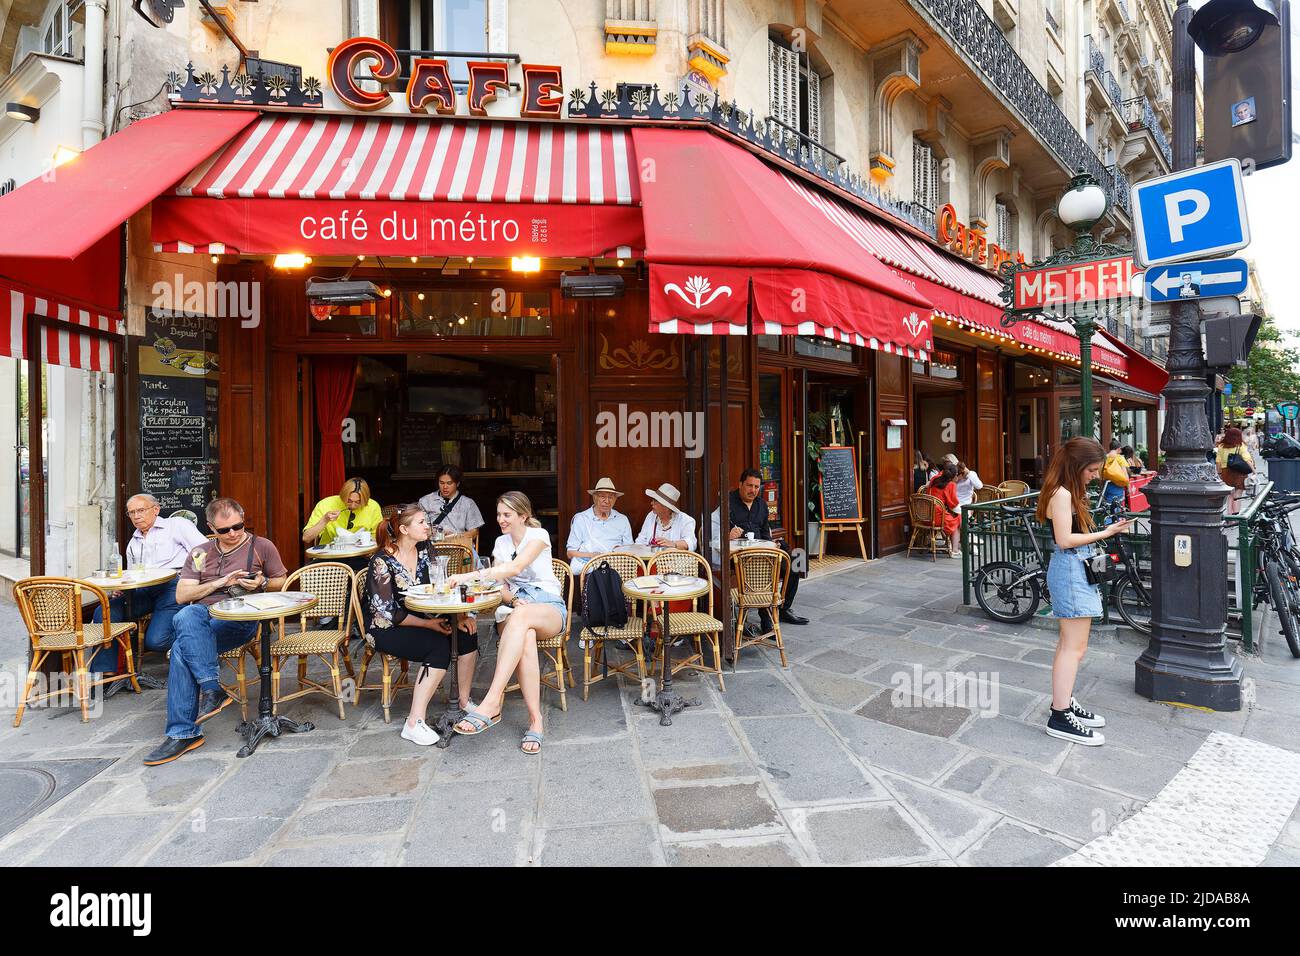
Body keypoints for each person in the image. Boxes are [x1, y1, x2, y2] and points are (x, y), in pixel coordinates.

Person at [142, 498, 288, 766]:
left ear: (243, 518)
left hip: (239, 620)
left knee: (181, 649)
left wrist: (262, 582)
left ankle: (183, 733)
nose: (232, 533)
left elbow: (282, 582)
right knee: (187, 615)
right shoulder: (200, 553)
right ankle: (211, 689)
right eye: (224, 530)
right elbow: (183, 594)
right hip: (201, 619)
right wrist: (221, 582)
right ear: (211, 527)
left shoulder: (261, 546)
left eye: (238, 526)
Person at [450, 492, 567, 755]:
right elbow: (501, 586)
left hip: (546, 604)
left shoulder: (539, 536)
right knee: (522, 631)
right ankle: (536, 721)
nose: (500, 519)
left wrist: (469, 575)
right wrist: (514, 600)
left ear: (523, 516)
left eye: (507, 514)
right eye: (499, 514)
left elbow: (515, 568)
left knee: (522, 618)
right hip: (514, 607)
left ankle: (492, 702)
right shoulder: (501, 543)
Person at [1038, 438, 1132, 746]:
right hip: (1070, 569)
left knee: (1069, 645)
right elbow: (1064, 539)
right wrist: (1105, 532)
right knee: (1073, 648)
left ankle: (1063, 703)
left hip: (1071, 568)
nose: (1094, 476)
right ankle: (1060, 713)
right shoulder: (1062, 494)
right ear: (1076, 466)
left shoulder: (1061, 491)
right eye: (1091, 470)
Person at [365, 503, 478, 746]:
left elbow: (438, 588)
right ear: (404, 529)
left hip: (424, 618)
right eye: (421, 523)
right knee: (438, 647)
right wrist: (430, 626)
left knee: (467, 633)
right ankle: (414, 722)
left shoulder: (426, 550)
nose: (428, 526)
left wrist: (459, 616)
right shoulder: (382, 561)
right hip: (386, 628)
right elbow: (388, 612)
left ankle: (463, 701)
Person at [88, 493, 210, 685]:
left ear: (156, 509)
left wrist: (193, 577)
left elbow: (204, 550)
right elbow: (132, 573)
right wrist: (122, 587)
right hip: (144, 590)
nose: (136, 516)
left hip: (173, 586)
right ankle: (106, 676)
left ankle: (201, 638)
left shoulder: (176, 525)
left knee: (156, 641)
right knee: (104, 611)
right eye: (132, 513)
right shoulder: (133, 542)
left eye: (141, 510)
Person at [710, 468, 807, 627]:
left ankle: (783, 608)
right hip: (737, 556)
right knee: (765, 567)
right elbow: (712, 531)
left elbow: (764, 531)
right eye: (749, 486)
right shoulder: (727, 502)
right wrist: (727, 535)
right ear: (740, 484)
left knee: (797, 560)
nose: (753, 490)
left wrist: (772, 544)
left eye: (756, 487)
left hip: (761, 551)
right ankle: (766, 616)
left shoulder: (761, 504)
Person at [566, 477, 633, 572]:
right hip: (592, 568)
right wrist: (592, 556)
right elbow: (570, 553)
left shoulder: (622, 519)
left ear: (615, 500)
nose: (607, 501)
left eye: (610, 497)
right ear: (595, 498)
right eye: (602, 497)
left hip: (617, 568)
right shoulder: (581, 519)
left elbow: (630, 550)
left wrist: (619, 551)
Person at [302, 477, 383, 548]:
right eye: (349, 501)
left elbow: (379, 538)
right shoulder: (326, 504)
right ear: (342, 495)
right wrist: (325, 520)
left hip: (362, 555)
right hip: (331, 555)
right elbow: (306, 538)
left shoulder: (373, 506)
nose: (353, 505)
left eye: (358, 502)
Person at [417, 465, 485, 537]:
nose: (445, 487)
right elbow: (417, 527)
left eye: (449, 483)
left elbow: (474, 531)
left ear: (457, 483)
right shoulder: (425, 501)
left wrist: (456, 536)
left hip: (458, 545)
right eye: (442, 483)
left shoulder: (468, 503)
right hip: (432, 545)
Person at [635, 483, 696, 550]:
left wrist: (673, 544)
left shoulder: (685, 520)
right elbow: (640, 541)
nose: (651, 503)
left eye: (655, 501)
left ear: (666, 506)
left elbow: (690, 543)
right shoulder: (651, 516)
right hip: (650, 560)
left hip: (675, 560)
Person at [923, 463, 962, 557]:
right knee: (958, 520)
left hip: (924, 515)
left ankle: (948, 544)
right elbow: (953, 504)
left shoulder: (934, 479)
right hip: (937, 516)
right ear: (955, 476)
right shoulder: (950, 484)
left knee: (952, 518)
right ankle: (955, 550)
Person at [1216, 425, 1254, 515]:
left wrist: (1219, 473)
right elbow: (1247, 459)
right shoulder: (1240, 446)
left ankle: (1229, 516)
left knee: (1230, 495)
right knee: (1238, 495)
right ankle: (1236, 516)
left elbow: (1218, 461)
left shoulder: (1221, 446)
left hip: (1226, 472)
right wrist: (1254, 471)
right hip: (1239, 473)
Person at [1100, 442, 1130, 507]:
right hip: (1117, 485)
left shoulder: (1105, 457)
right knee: (1116, 507)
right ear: (1118, 449)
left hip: (1106, 485)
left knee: (1106, 506)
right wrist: (1128, 487)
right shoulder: (1120, 458)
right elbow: (1125, 474)